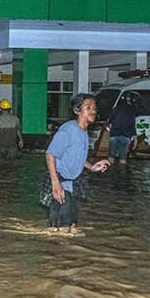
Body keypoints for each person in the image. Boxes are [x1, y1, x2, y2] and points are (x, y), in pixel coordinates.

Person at [45, 93, 110, 233]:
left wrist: (92, 167)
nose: (93, 111)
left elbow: (77, 156)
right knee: (62, 229)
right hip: (61, 184)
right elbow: (50, 154)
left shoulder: (83, 131)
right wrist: (56, 184)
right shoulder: (68, 130)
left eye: (94, 107)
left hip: (71, 185)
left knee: (72, 226)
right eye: (88, 107)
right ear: (77, 110)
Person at [106, 91, 138, 164]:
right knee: (123, 159)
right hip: (126, 137)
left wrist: (109, 129)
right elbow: (132, 124)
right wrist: (135, 138)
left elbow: (109, 122)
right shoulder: (131, 110)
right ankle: (122, 173)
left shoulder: (116, 109)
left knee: (111, 158)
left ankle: (110, 173)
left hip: (114, 136)